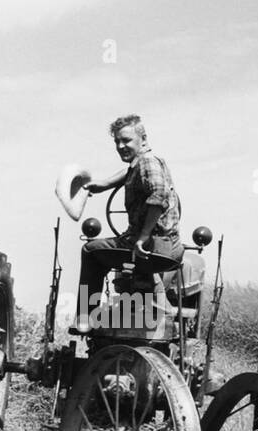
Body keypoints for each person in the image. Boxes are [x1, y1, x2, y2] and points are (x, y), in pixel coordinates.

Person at [73, 115, 183, 333]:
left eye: (126, 140)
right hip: (170, 245)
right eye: (117, 142)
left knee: (90, 250)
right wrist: (104, 185)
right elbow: (130, 173)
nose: (120, 146)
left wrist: (143, 236)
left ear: (143, 139)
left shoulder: (146, 163)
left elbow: (158, 195)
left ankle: (86, 317)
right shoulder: (145, 163)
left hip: (152, 244)